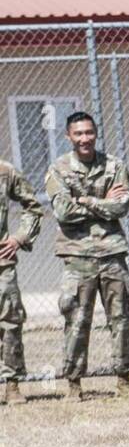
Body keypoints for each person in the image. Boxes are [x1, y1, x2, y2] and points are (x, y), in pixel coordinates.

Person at [46, 112, 129, 399]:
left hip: (112, 253)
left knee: (120, 318)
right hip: (78, 256)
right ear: (68, 136)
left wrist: (84, 199)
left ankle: (124, 381)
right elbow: (63, 211)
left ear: (96, 133)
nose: (84, 138)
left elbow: (121, 206)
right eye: (78, 134)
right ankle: (74, 384)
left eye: (89, 132)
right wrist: (101, 202)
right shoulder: (58, 169)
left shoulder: (114, 166)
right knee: (77, 319)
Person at [0, 158, 43, 405]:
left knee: (9, 323)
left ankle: (12, 385)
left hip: (2, 265)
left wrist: (20, 237)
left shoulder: (5, 172)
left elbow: (33, 205)